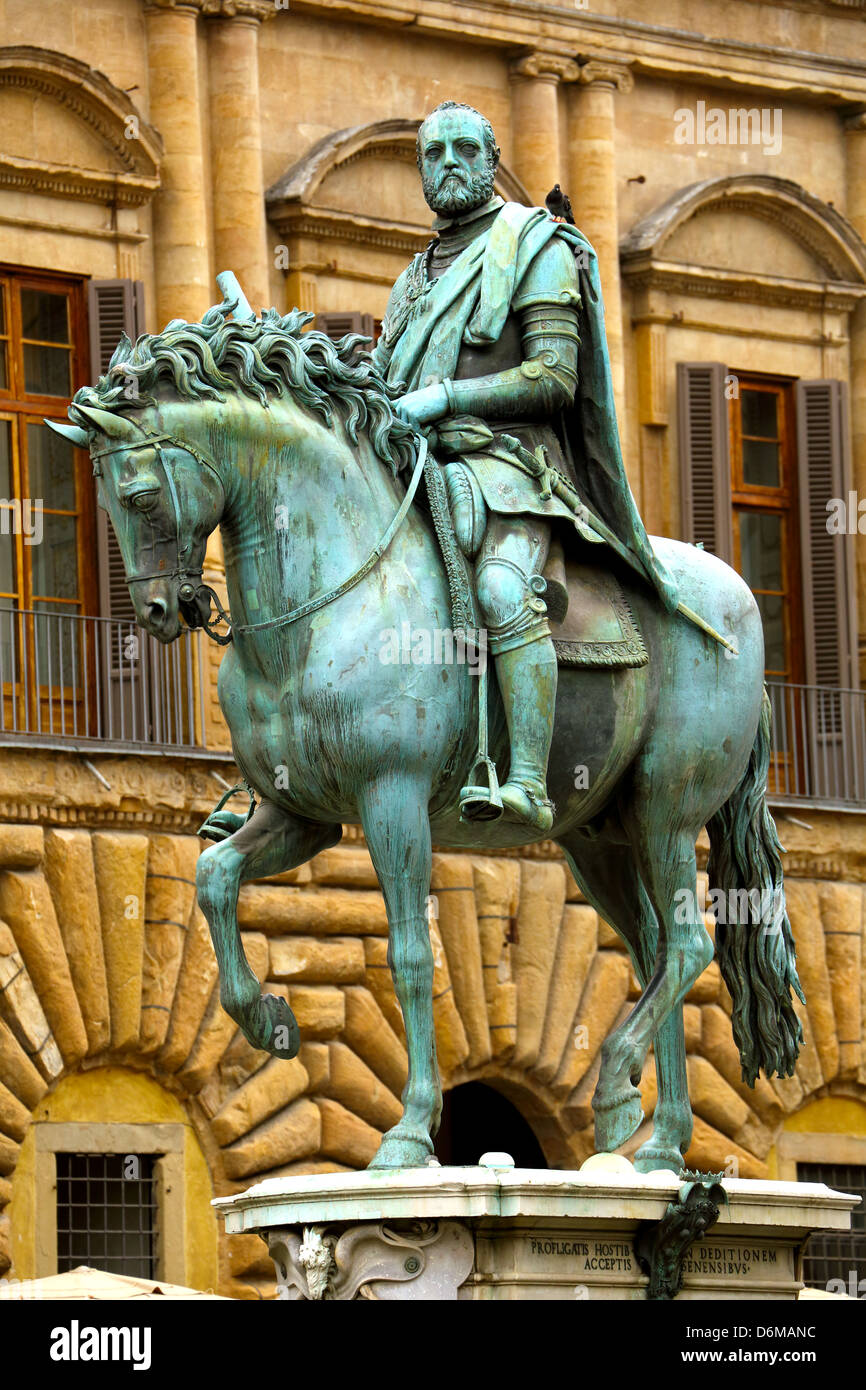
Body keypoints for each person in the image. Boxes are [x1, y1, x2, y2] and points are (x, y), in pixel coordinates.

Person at [372, 100, 677, 833]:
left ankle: (532, 780)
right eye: (434, 152)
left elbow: (551, 379)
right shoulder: (412, 278)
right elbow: (386, 381)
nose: (448, 162)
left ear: (490, 159)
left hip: (511, 471)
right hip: (419, 467)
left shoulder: (534, 246)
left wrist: (443, 398)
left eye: (464, 150)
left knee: (503, 590)